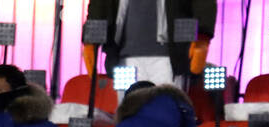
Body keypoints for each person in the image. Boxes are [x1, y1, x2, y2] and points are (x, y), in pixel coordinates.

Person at [83, 0, 216, 86]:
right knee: (129, 115)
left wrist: (202, 37)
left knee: (166, 113)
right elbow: (99, 5)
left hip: (169, 57)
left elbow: (203, 3)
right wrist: (91, 40)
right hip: (124, 57)